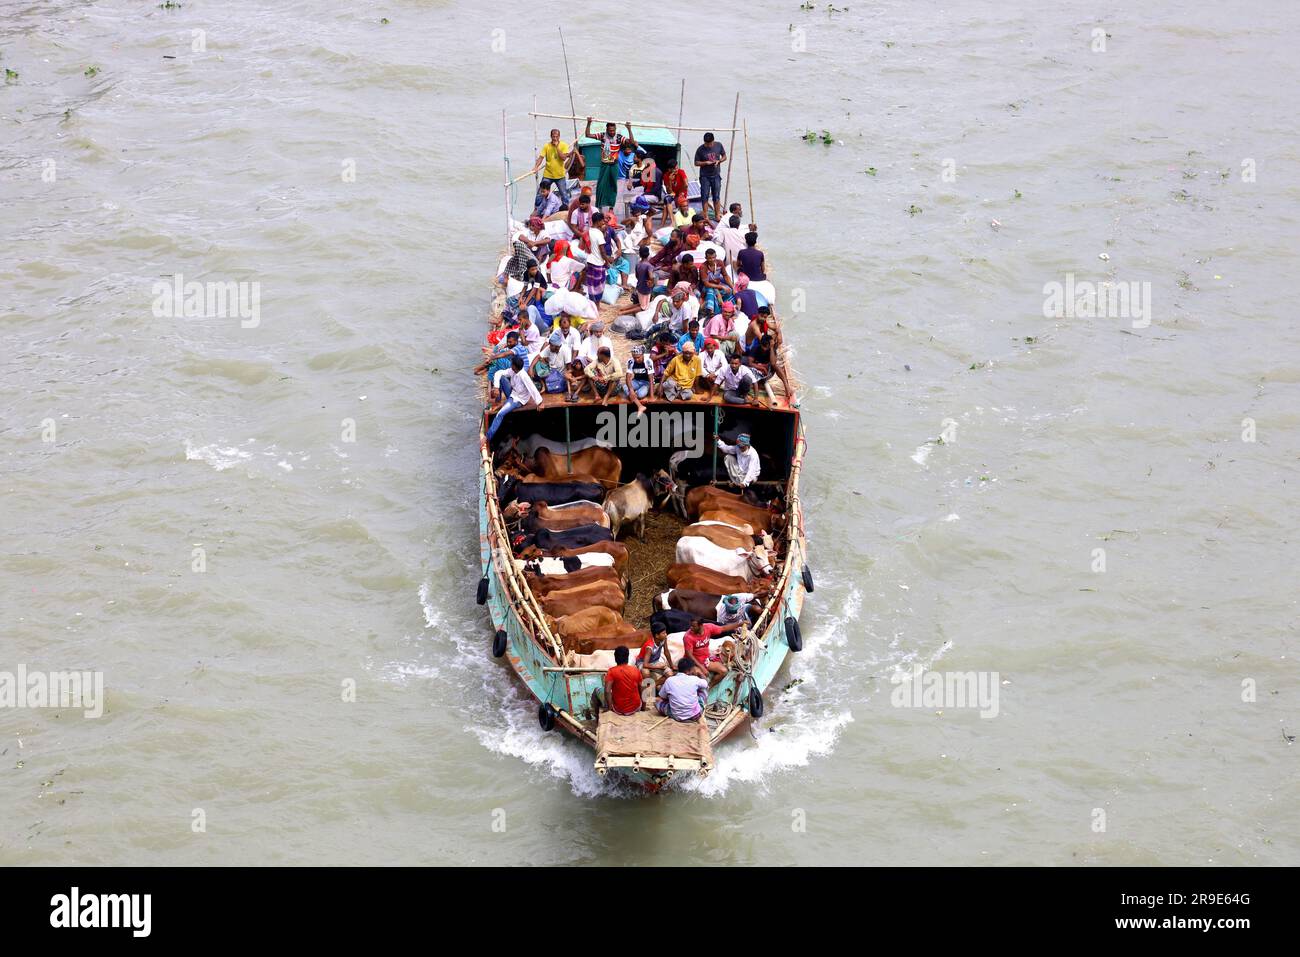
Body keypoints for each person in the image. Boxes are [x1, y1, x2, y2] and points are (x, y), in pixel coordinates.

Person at [583, 117, 636, 213]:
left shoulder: (619, 137)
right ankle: (599, 205)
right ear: (606, 130)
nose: (612, 132)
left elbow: (632, 142)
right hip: (604, 164)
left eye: (613, 130)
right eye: (610, 130)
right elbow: (587, 135)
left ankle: (611, 207)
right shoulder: (602, 136)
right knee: (601, 185)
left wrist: (629, 128)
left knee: (613, 185)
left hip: (613, 164)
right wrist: (589, 123)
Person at [487, 355, 542, 440]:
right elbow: (499, 373)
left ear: (514, 366)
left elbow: (532, 389)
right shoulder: (513, 371)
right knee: (500, 377)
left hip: (518, 399)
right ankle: (498, 402)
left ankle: (487, 437)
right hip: (513, 393)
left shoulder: (523, 376)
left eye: (511, 364)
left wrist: (539, 403)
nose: (510, 365)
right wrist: (496, 388)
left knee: (500, 414)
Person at [682, 616, 742, 685]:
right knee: (702, 679)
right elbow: (689, 655)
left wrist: (739, 624)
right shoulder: (688, 637)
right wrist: (701, 667)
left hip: (705, 660)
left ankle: (710, 687)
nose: (691, 628)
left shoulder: (708, 627)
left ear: (701, 625)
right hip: (693, 663)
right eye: (691, 626)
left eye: (694, 626)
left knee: (724, 671)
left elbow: (723, 628)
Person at [636, 623, 675, 706]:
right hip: (643, 662)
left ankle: (653, 685)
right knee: (646, 673)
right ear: (657, 635)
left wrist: (671, 665)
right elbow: (645, 664)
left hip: (654, 661)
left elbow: (666, 652)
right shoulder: (649, 646)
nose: (666, 634)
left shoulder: (663, 639)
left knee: (670, 674)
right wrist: (658, 666)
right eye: (663, 633)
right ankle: (647, 695)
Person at [533, 128, 574, 205]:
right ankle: (537, 208)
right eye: (553, 136)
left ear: (559, 137)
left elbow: (563, 158)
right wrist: (536, 167)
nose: (555, 138)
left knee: (564, 194)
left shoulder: (564, 145)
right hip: (548, 174)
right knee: (540, 192)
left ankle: (566, 209)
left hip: (560, 176)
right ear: (551, 136)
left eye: (556, 136)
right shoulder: (546, 146)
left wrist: (557, 147)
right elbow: (541, 158)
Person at [694, 132, 727, 222]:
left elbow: (724, 156)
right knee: (704, 196)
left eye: (710, 143)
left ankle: (717, 215)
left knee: (716, 196)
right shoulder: (700, 149)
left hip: (716, 175)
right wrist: (705, 163)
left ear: (713, 141)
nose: (708, 145)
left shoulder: (718, 145)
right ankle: (705, 216)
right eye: (706, 143)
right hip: (705, 176)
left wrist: (719, 161)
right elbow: (696, 163)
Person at [603, 646, 644, 716]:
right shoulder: (636, 670)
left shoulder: (611, 671)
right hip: (636, 708)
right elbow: (643, 689)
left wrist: (610, 708)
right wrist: (643, 707)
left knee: (598, 690)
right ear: (627, 657)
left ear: (615, 658)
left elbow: (607, 691)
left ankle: (593, 716)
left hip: (619, 709)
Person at [624, 344, 655, 414]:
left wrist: (652, 396)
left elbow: (651, 379)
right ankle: (640, 406)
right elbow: (628, 377)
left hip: (646, 383)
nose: (636, 359)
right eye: (634, 357)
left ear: (642, 355)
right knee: (625, 387)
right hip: (636, 381)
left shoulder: (648, 361)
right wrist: (631, 390)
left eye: (638, 357)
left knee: (640, 394)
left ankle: (637, 401)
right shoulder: (631, 361)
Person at [660, 158, 689, 225]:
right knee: (667, 199)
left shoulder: (681, 172)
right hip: (673, 195)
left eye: (676, 168)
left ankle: (664, 224)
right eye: (674, 169)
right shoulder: (666, 176)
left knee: (665, 206)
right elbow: (669, 192)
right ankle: (672, 221)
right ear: (669, 169)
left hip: (681, 195)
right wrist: (670, 181)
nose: (676, 170)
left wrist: (681, 192)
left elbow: (686, 185)